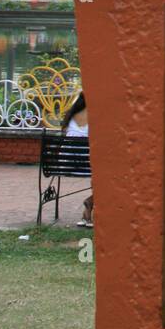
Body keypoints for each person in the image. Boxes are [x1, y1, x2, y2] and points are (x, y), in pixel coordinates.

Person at [61, 91, 93, 227]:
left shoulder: (69, 117)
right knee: (105, 176)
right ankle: (91, 201)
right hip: (86, 167)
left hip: (65, 165)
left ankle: (87, 214)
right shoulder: (94, 117)